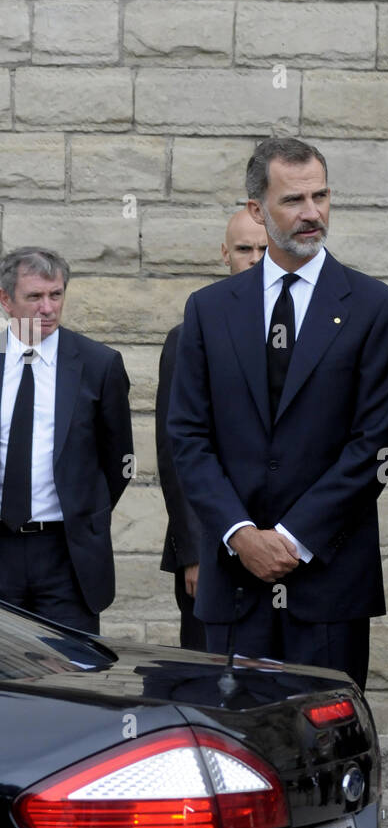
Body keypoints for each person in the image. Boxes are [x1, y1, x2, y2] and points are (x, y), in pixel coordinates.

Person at [167, 137, 388, 685]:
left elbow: (373, 444)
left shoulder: (374, 307)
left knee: (326, 751)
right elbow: (187, 436)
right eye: (293, 200)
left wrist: (293, 539)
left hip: (329, 582)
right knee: (237, 752)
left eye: (320, 196)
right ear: (257, 210)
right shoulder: (209, 311)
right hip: (234, 582)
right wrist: (240, 534)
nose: (311, 213)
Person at [0, 247, 133, 633]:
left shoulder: (98, 364)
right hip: (1, 548)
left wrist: (84, 510)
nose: (48, 308)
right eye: (35, 297)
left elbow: (118, 460)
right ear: (6, 300)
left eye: (55, 295)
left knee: (73, 674)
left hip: (66, 555)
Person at [156, 207, 267, 650]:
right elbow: (176, 450)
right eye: (244, 249)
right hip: (211, 548)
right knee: (208, 681)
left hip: (282, 547)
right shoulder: (188, 335)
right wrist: (195, 552)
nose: (255, 258)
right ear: (225, 253)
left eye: (264, 248)